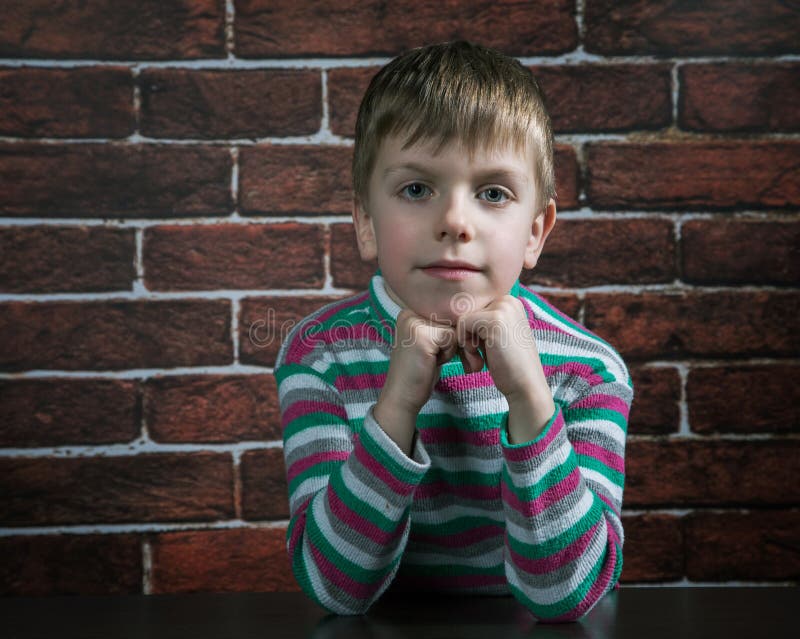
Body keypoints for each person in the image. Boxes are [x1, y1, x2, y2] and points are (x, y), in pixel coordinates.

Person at [275, 40, 633, 621]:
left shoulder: (588, 372)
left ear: (537, 232)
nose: (455, 223)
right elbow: (334, 588)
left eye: (494, 193)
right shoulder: (319, 358)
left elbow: (568, 594)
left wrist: (529, 396)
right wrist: (396, 405)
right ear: (366, 223)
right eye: (417, 189)